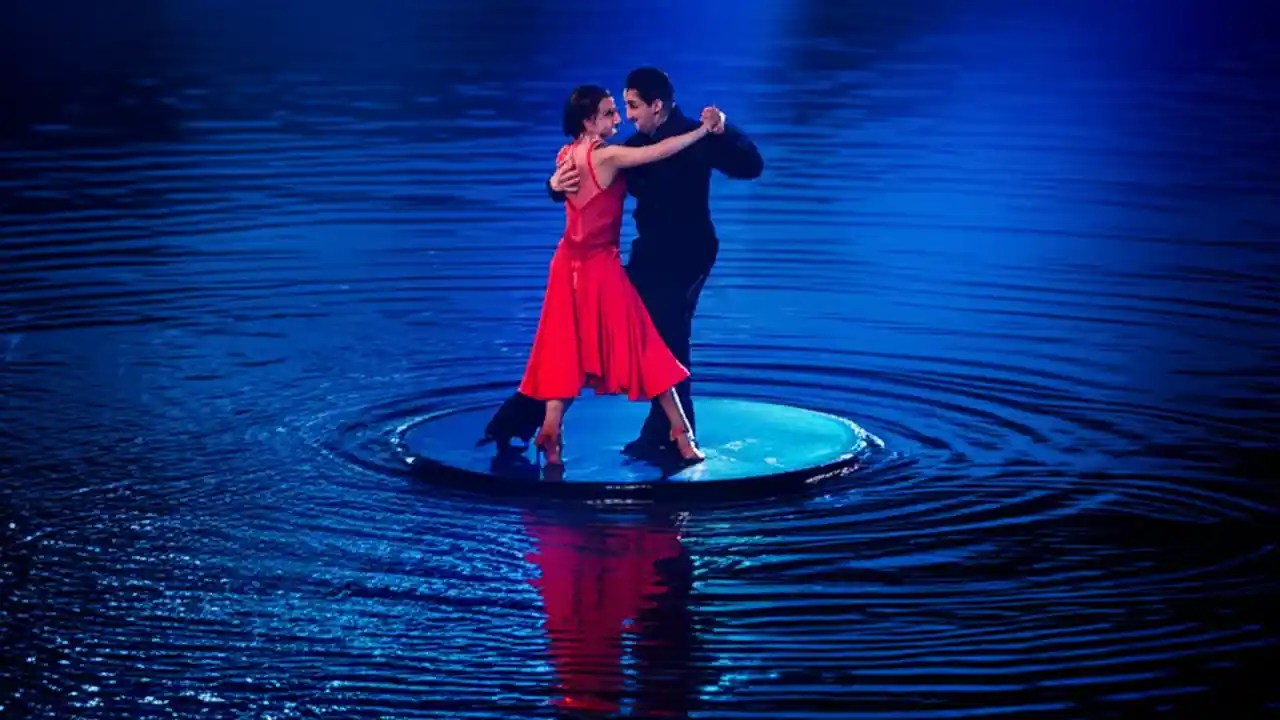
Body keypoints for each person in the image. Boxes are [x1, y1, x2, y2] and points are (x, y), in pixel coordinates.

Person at [482, 67, 764, 459]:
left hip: (688, 254)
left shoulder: (696, 138)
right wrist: (551, 186)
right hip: (646, 254)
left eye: (632, 106)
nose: (627, 115)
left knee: (665, 334)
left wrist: (723, 128)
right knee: (589, 332)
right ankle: (524, 420)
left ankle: (671, 435)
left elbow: (751, 167)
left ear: (657, 105)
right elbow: (587, 183)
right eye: (620, 108)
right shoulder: (628, 148)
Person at [515, 83, 722, 467]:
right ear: (590, 121)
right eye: (610, 113)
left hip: (566, 265)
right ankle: (682, 434)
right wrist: (699, 132)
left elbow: (562, 187)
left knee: (564, 350)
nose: (619, 118)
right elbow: (657, 150)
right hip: (597, 265)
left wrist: (552, 185)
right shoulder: (606, 156)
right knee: (644, 343)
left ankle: (550, 433)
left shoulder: (566, 154)